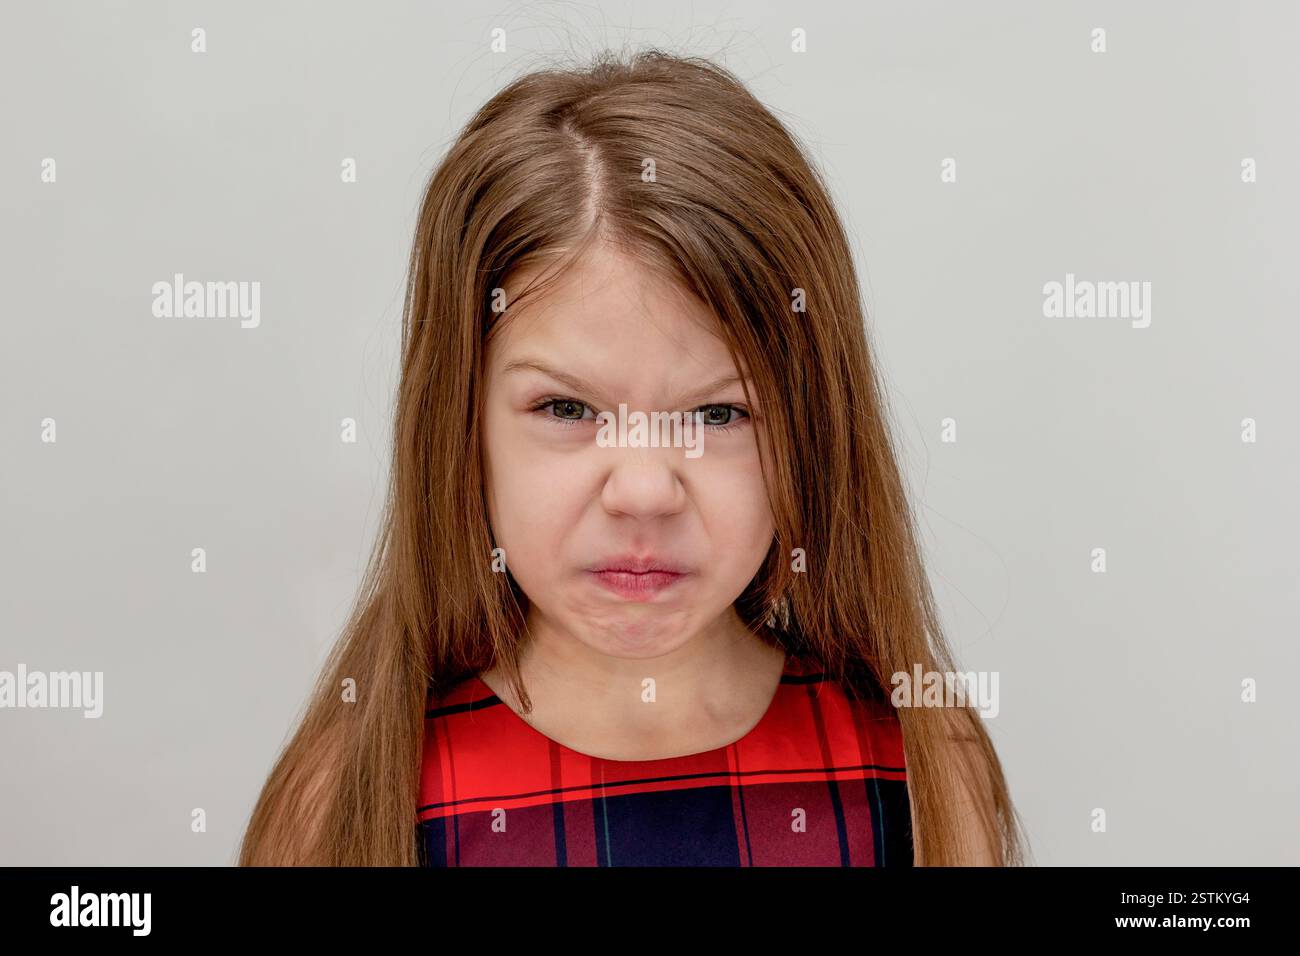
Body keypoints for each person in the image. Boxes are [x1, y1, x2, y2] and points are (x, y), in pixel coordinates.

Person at [239, 48, 1027, 867]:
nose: (645, 491)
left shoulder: (921, 771)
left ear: (811, 433)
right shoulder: (350, 797)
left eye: (718, 414)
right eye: (567, 409)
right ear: (459, 430)